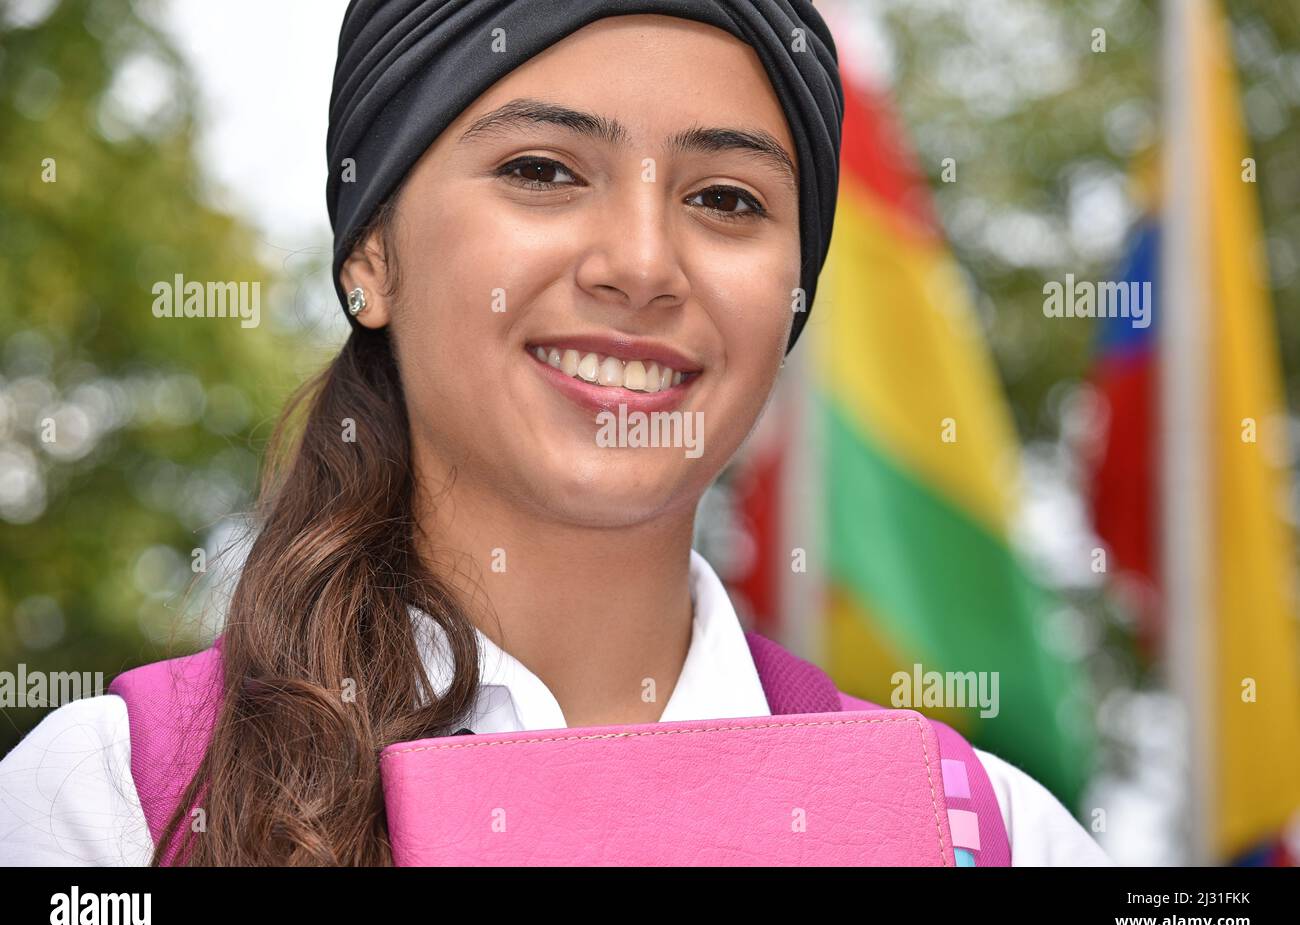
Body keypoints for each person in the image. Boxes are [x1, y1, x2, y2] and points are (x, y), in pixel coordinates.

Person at [0, 0, 1109, 866]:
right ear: (370, 254)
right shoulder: (120, 801)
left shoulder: (984, 834)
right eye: (541, 171)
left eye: (726, 198)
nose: (641, 264)